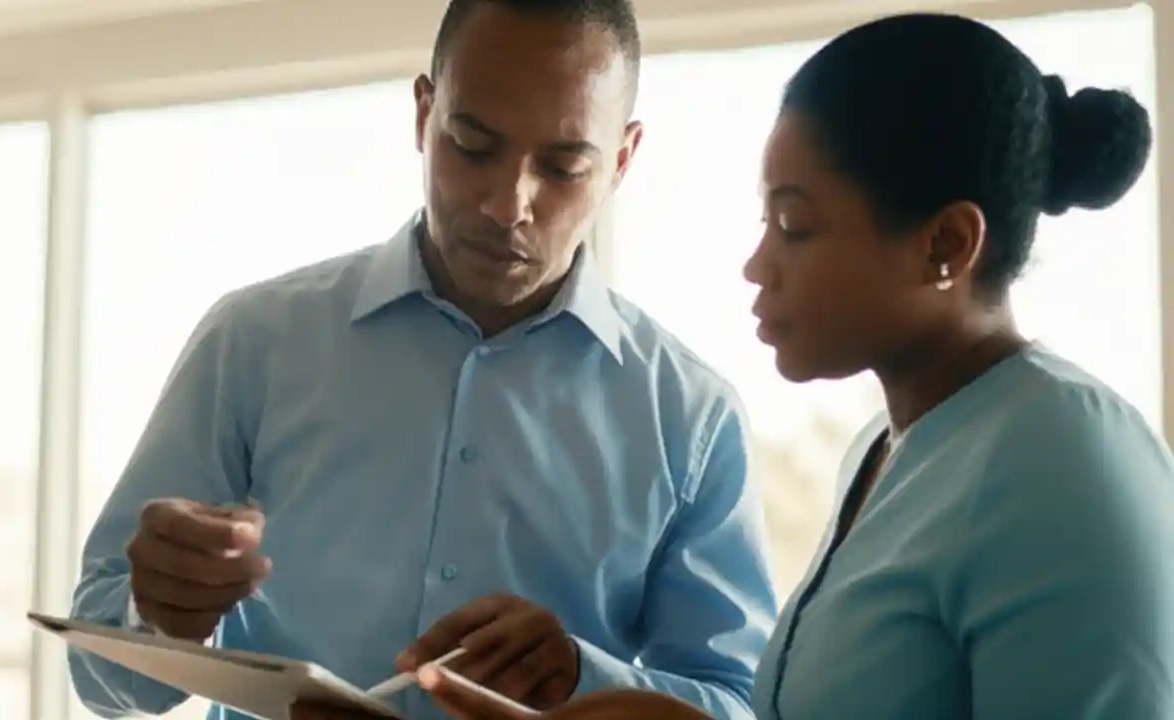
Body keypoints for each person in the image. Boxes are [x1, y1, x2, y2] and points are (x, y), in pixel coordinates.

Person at [380, 10, 1174, 720]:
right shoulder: (885, 451)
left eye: (795, 226)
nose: (758, 266)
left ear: (945, 246)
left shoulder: (1065, 454)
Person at [69, 1, 777, 719]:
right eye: (473, 146)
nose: (509, 205)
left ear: (621, 160)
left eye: (563, 167)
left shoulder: (690, 419)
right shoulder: (254, 343)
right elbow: (99, 673)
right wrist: (160, 614)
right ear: (423, 114)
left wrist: (578, 680)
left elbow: (738, 703)